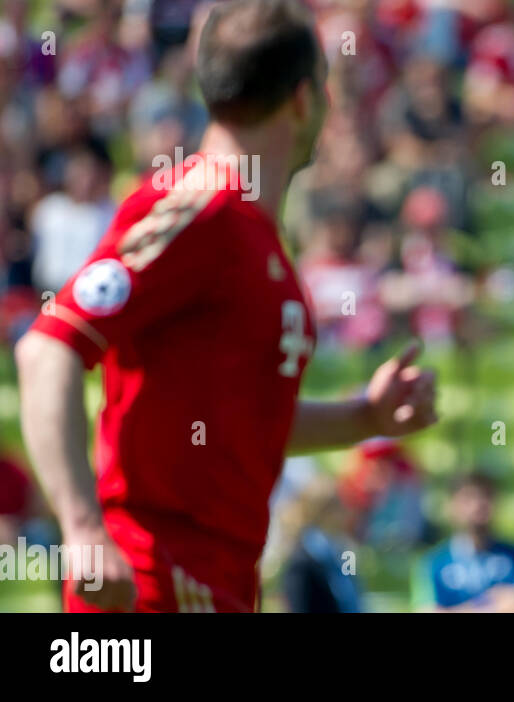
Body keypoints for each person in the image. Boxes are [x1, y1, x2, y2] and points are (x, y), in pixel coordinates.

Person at [14, 0, 438, 613]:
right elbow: (46, 347)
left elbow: (245, 422)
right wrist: (82, 531)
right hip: (151, 580)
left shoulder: (256, 235)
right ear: (302, 99)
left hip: (225, 583)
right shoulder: (199, 208)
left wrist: (364, 418)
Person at [410, 473, 514, 613]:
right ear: (452, 505)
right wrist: (489, 602)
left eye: (486, 496)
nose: (478, 505)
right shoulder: (433, 562)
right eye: (468, 498)